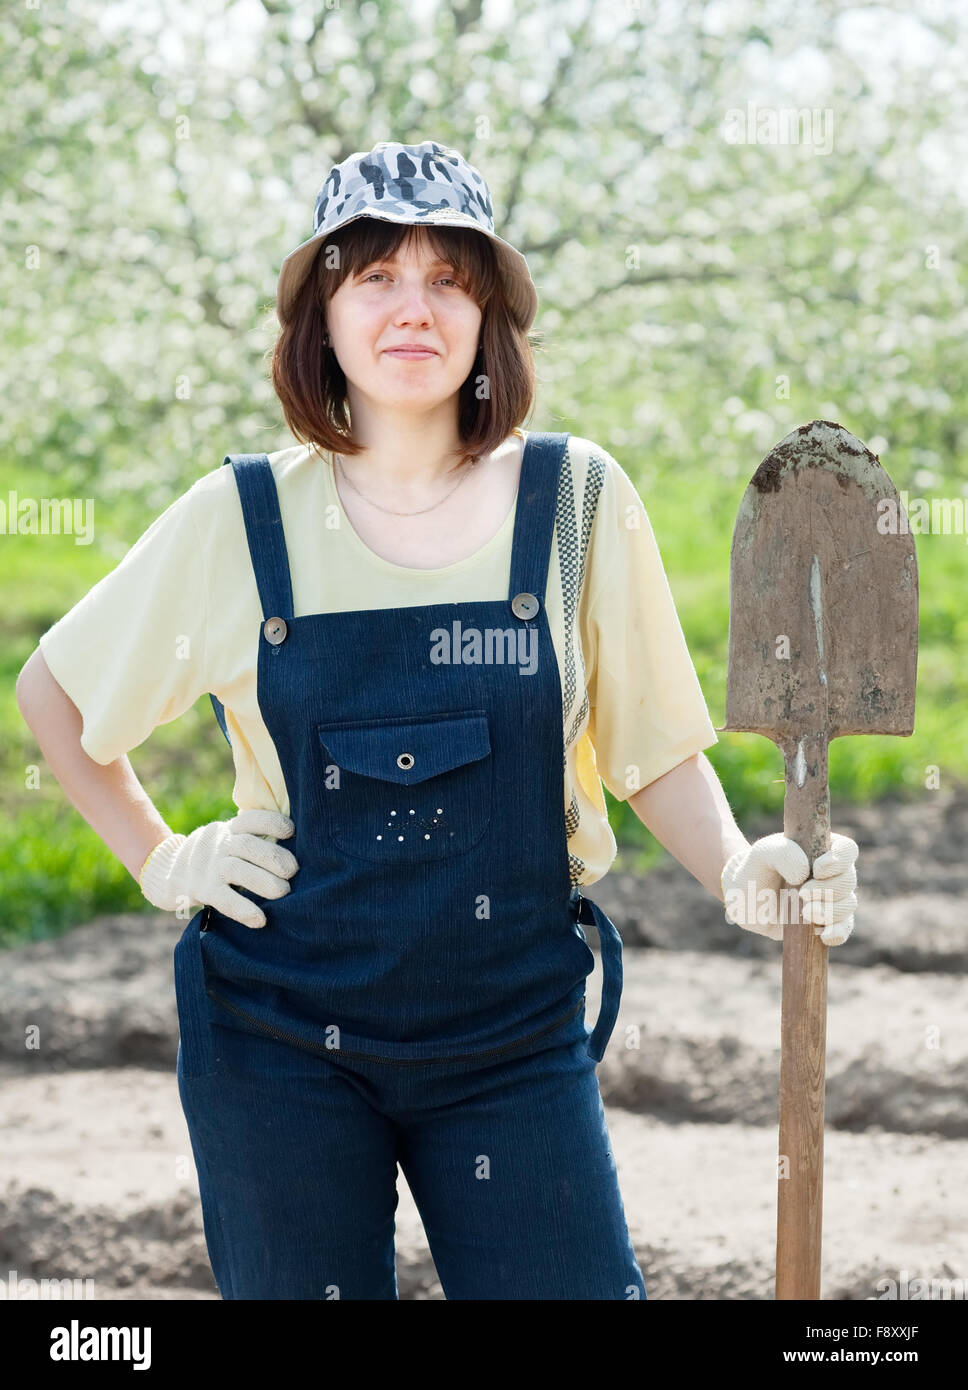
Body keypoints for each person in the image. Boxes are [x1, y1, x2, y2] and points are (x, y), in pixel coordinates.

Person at [17, 140, 859, 1301]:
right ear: (322, 311)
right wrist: (164, 858)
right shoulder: (240, 520)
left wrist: (737, 865)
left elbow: (650, 745)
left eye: (447, 279)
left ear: (488, 317)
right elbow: (54, 696)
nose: (413, 308)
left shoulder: (574, 502)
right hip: (277, 1034)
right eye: (374, 275)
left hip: (508, 1032)